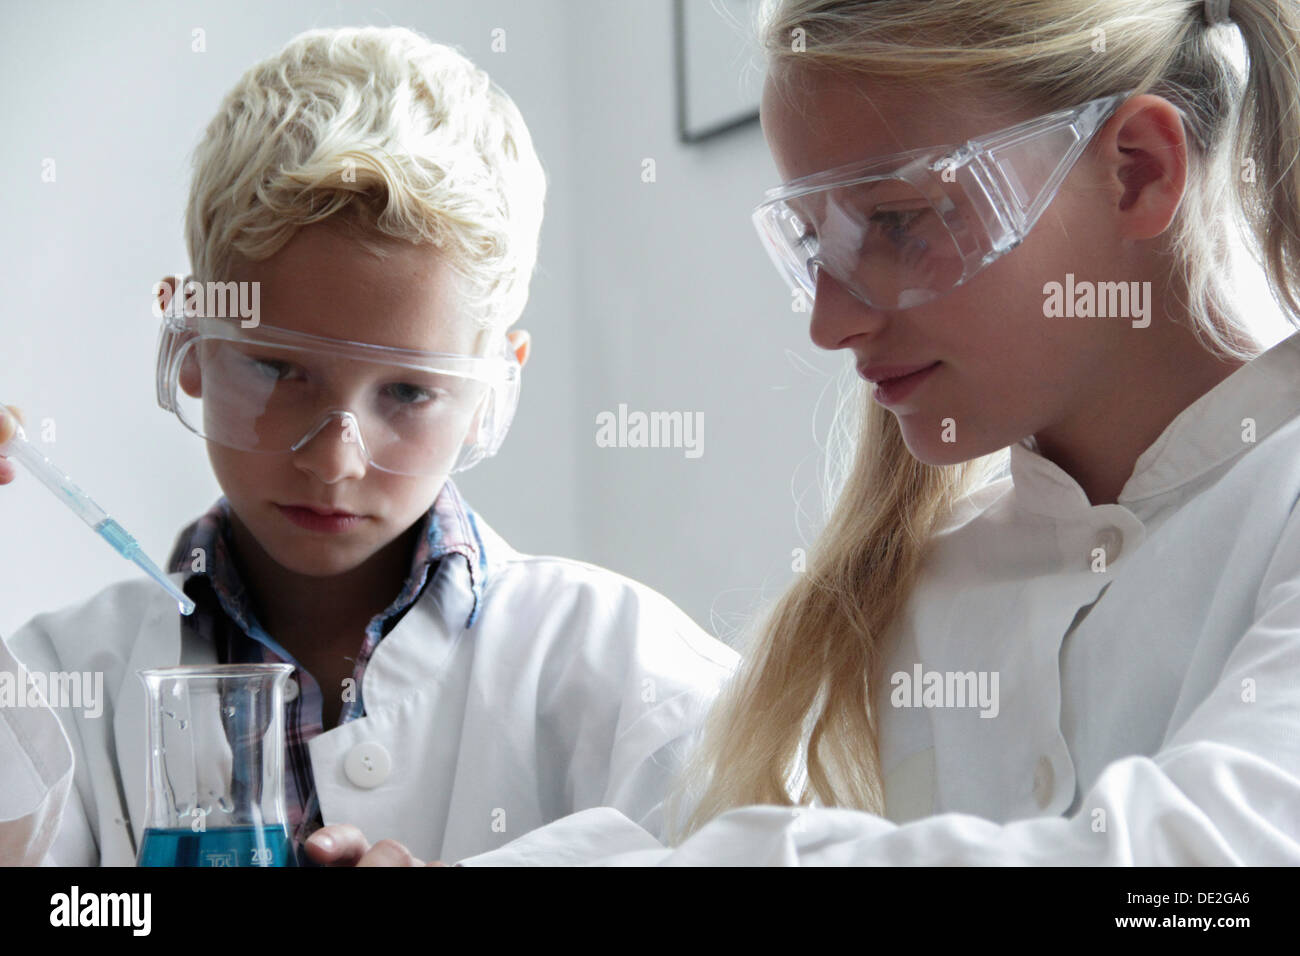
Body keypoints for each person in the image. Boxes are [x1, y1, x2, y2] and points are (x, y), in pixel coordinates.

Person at [446, 0, 1300, 865]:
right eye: (815, 244)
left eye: (897, 221)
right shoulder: (926, 591)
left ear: (1137, 171)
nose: (829, 323)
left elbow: (1208, 880)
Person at [0, 25, 737, 867]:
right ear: (190, 339)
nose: (335, 461)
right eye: (278, 369)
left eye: (410, 391)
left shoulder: (627, 672)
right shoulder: (52, 687)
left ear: (494, 385)